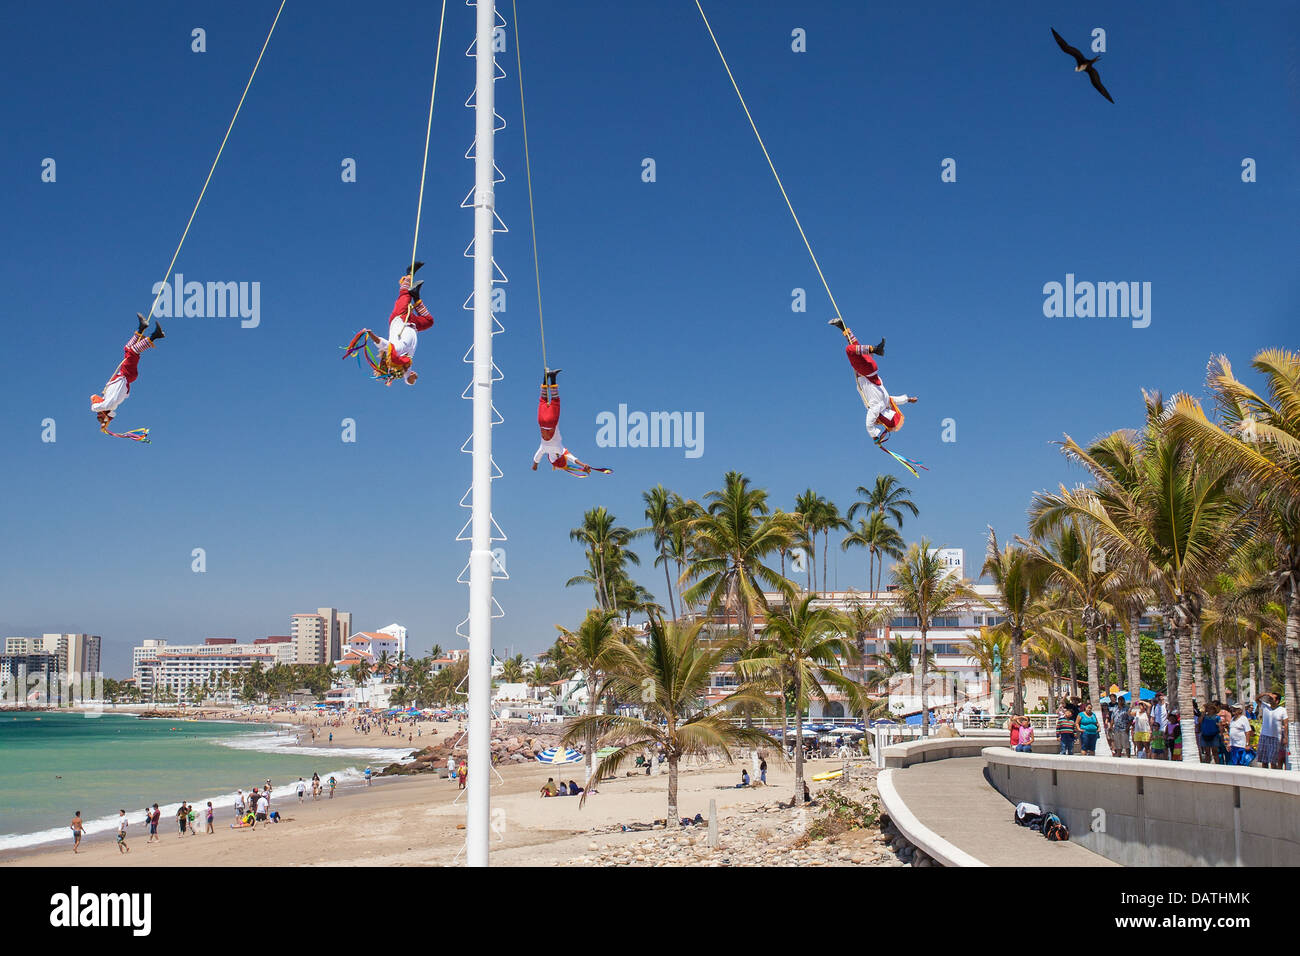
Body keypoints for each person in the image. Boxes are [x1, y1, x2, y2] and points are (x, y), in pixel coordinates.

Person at [826, 318, 918, 443]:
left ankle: (843, 327)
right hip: (866, 372)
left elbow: (895, 400)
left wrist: (908, 399)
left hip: (871, 369)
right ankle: (874, 349)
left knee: (855, 347)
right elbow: (869, 423)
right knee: (850, 351)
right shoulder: (876, 408)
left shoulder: (886, 402)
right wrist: (875, 436)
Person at [343, 267, 434, 385]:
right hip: (413, 324)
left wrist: (370, 334)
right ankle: (416, 296)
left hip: (399, 317)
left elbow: (380, 343)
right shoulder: (406, 363)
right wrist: (414, 377)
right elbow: (409, 381)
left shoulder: (394, 350)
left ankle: (408, 275)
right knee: (429, 322)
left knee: (405, 297)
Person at [530, 369, 611, 477]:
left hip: (552, 421)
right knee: (543, 399)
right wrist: (535, 466)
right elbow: (536, 458)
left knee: (555, 400)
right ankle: (546, 378)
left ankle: (552, 378)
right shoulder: (544, 448)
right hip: (541, 421)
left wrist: (584, 465)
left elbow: (573, 459)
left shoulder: (560, 448)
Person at [91, 315, 165, 429]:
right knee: (133, 351)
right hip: (126, 375)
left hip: (126, 375)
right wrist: (104, 422)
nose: (98, 414)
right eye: (99, 415)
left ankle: (141, 328)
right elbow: (94, 400)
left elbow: (101, 404)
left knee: (127, 348)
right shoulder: (109, 404)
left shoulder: (109, 401)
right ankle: (155, 336)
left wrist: (104, 418)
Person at [1257, 693, 1288, 770]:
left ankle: (1273, 777)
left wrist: (1285, 737)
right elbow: (1256, 699)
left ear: (1277, 701)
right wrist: (1265, 694)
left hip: (1275, 737)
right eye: (1269, 698)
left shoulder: (1282, 710)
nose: (1270, 699)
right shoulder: (1265, 706)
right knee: (1264, 760)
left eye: (1272, 698)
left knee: (1273, 761)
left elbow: (1286, 724)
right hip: (1264, 736)